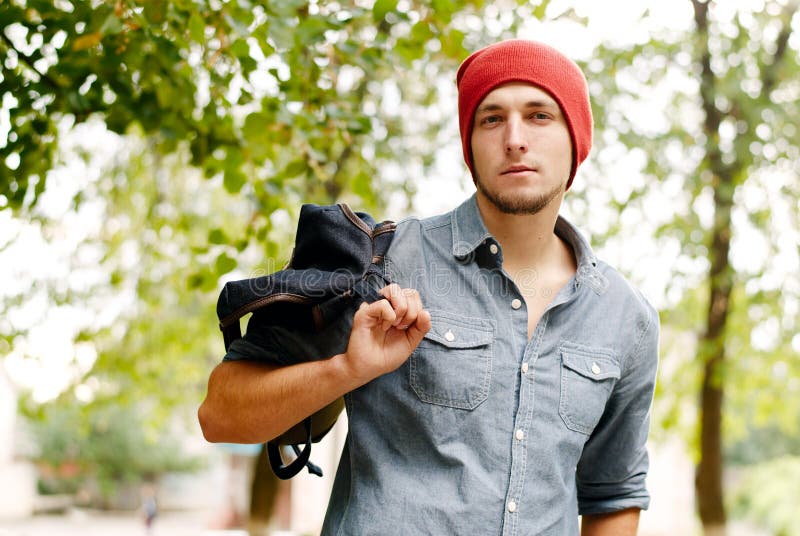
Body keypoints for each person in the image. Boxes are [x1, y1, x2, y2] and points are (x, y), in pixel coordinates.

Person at [199, 39, 659, 535]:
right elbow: (221, 416)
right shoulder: (379, 262)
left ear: (577, 140)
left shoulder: (624, 316)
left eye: (540, 115)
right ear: (469, 147)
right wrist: (346, 370)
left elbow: (613, 495)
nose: (515, 138)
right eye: (491, 119)